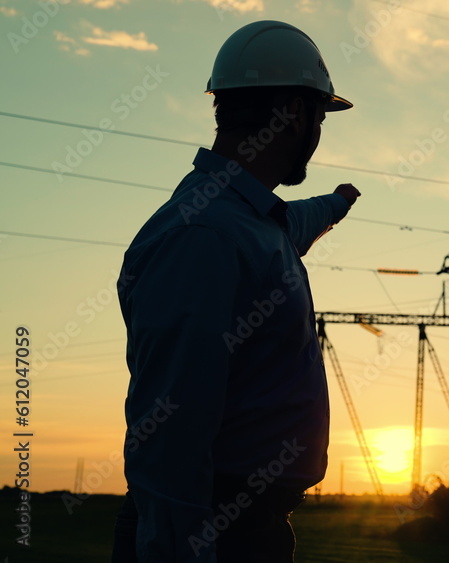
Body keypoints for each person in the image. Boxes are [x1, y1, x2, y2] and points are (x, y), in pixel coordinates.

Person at [112, 21, 360, 562]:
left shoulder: (248, 221)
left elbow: (291, 226)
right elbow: (172, 425)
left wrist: (337, 204)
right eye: (319, 116)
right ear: (296, 113)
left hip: (248, 522)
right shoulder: (206, 238)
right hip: (214, 526)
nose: (318, 133)